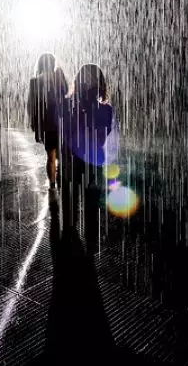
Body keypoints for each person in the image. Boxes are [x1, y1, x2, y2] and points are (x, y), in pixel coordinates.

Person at [59, 64, 116, 252]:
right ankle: (82, 243)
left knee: (80, 205)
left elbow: (68, 135)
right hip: (86, 160)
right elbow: (99, 135)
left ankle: (80, 244)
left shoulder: (73, 107)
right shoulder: (101, 110)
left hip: (82, 160)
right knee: (82, 204)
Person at [27, 53, 69, 191]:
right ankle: (62, 182)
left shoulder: (35, 82)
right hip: (61, 122)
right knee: (62, 156)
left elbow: (31, 105)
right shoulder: (58, 78)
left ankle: (52, 185)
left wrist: (34, 123)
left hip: (46, 124)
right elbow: (66, 93)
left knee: (51, 156)